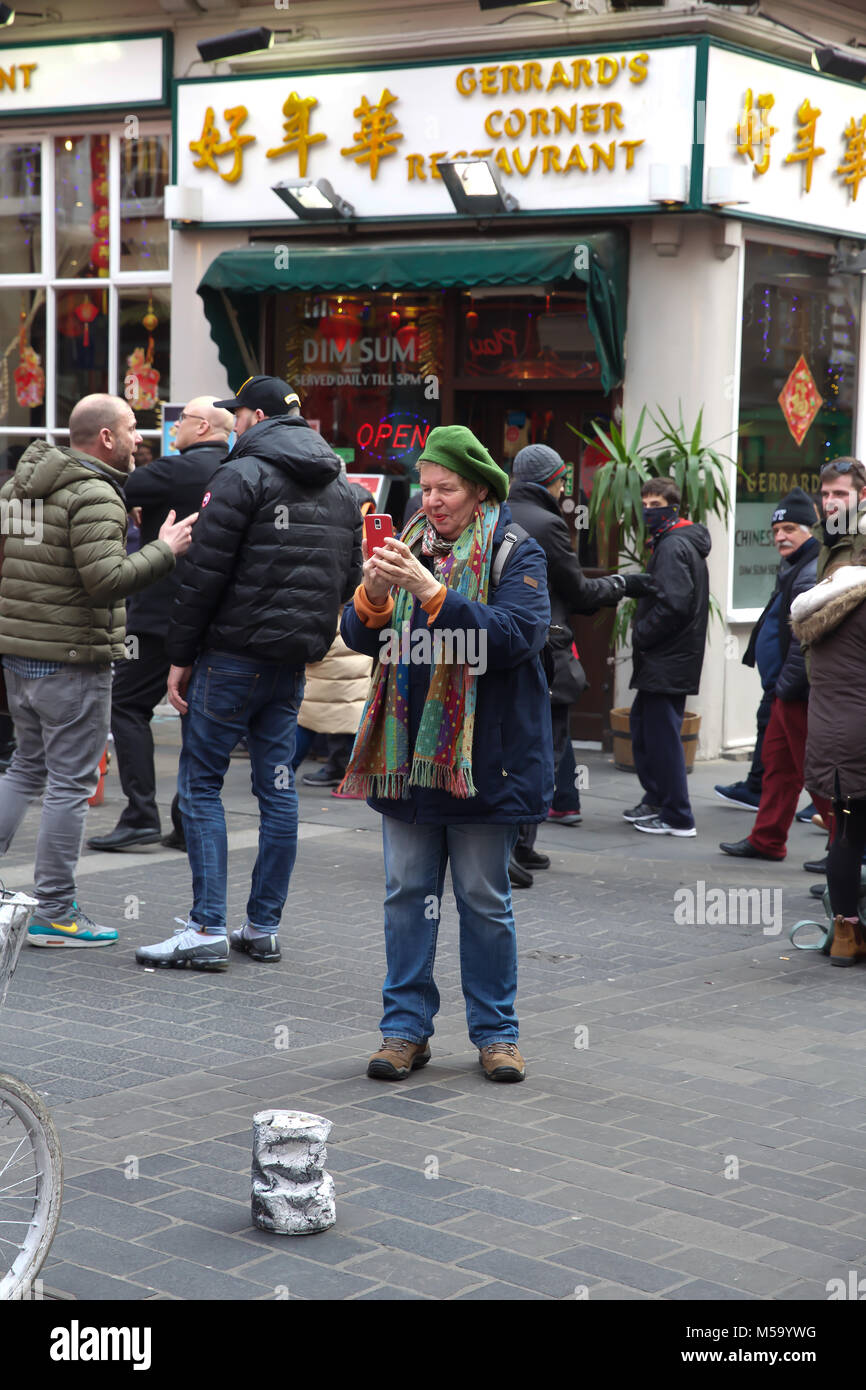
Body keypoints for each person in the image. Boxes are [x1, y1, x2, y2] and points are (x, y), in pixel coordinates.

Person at [340, 424, 553, 1084]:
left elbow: (514, 640)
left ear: (479, 488)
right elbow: (361, 639)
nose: (432, 501)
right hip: (406, 754)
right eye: (426, 488)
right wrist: (375, 595)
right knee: (407, 894)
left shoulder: (516, 548)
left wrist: (433, 595)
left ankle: (497, 1033)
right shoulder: (405, 544)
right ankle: (404, 1030)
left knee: (483, 899)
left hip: (486, 758)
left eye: (447, 489)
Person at [135, 376, 362, 972]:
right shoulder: (341, 484)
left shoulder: (241, 475)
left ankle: (207, 927)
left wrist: (179, 657)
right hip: (290, 663)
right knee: (278, 787)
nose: (234, 424)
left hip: (231, 657)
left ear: (254, 416)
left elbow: (203, 575)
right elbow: (348, 579)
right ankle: (262, 926)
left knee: (201, 785)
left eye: (238, 415)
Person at [0, 395, 196, 948]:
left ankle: (46, 905)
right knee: (69, 784)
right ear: (106, 438)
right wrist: (165, 548)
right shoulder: (95, 494)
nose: (142, 439)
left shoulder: (22, 485)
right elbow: (106, 580)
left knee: (25, 769)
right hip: (72, 660)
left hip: (21, 653)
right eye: (133, 429)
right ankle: (55, 912)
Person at [87, 397, 232, 853]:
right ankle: (187, 822)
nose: (173, 429)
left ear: (203, 426)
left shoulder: (172, 471)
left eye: (182, 420)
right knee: (195, 716)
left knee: (126, 704)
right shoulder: (241, 471)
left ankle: (140, 814)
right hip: (216, 616)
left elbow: (111, 488)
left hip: (157, 616)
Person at [507, 443, 653, 883]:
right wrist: (623, 583)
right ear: (552, 480)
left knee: (512, 748)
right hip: (546, 651)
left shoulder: (496, 513)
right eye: (561, 480)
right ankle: (515, 846)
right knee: (543, 751)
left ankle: (520, 844)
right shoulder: (547, 523)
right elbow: (578, 592)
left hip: (506, 648)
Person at [719, 489, 830, 861]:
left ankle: (849, 850)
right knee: (779, 766)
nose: (781, 536)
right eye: (776, 529)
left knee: (814, 773)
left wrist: (785, 686)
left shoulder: (810, 570)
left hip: (798, 692)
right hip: (784, 690)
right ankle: (767, 840)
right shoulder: (795, 566)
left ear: (808, 530)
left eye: (789, 528)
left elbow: (805, 639)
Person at [790, 457, 866, 964]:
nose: (831, 502)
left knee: (848, 831)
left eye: (841, 494)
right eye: (827, 494)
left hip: (832, 719)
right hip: (845, 716)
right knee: (850, 831)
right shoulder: (831, 546)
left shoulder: (835, 566)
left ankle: (844, 931)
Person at [624, 478, 711, 837]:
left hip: (668, 658)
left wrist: (642, 634)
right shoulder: (673, 541)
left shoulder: (674, 545)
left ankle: (677, 815)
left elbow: (674, 603)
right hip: (669, 658)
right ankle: (657, 799)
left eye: (656, 502)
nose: (648, 509)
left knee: (662, 736)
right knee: (645, 726)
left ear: (673, 508)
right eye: (644, 501)